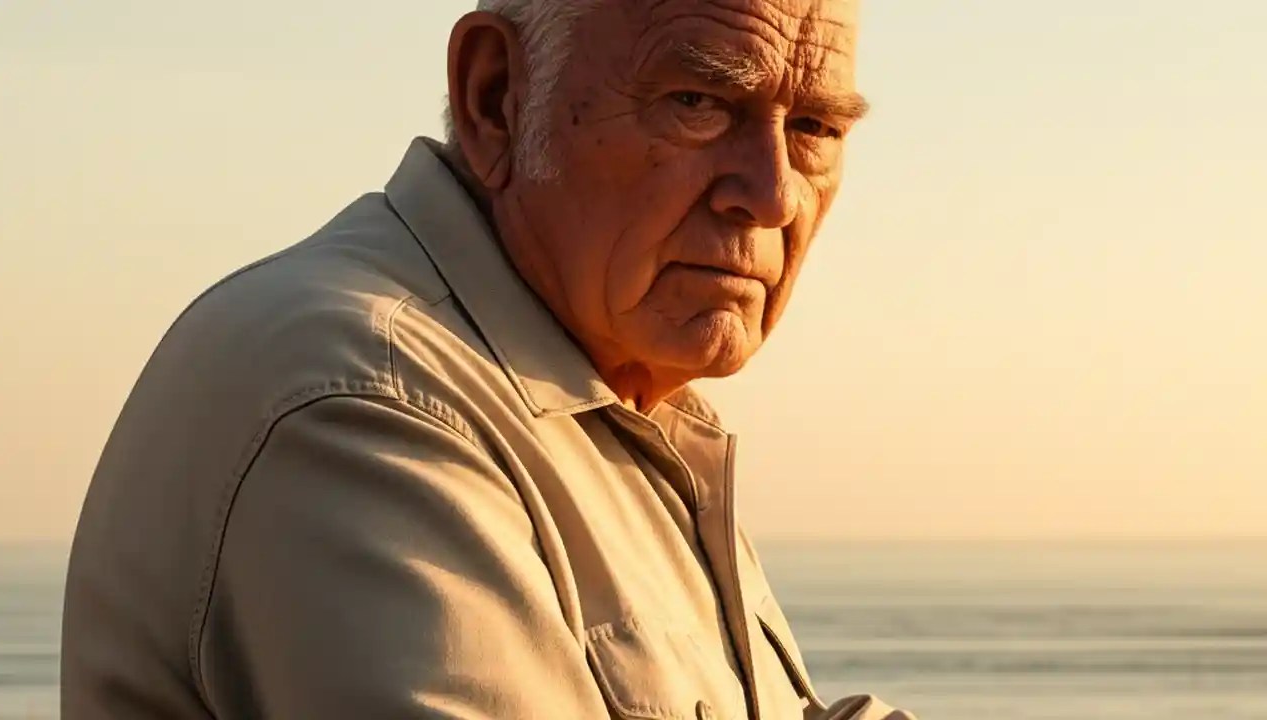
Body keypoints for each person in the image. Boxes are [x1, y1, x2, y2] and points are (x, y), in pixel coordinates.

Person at [62, 0, 916, 718]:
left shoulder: (612, 409)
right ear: (498, 98)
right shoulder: (368, 398)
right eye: (698, 102)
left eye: (814, 127)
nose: (771, 194)